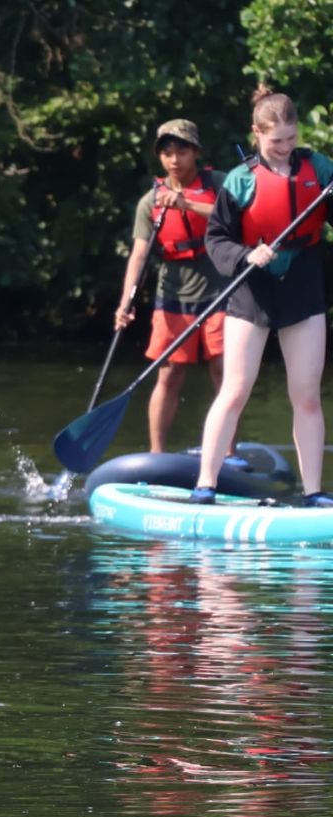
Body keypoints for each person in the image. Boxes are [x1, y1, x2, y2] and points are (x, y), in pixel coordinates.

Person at [190, 88, 333, 506]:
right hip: (252, 288)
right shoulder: (240, 180)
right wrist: (245, 253)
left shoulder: (320, 169)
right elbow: (216, 238)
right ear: (256, 133)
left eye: (291, 139)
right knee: (235, 389)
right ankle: (206, 484)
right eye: (276, 141)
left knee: (306, 394)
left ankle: (314, 493)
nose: (285, 148)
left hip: (303, 285)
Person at [114, 119, 231, 454]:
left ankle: (229, 453)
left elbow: (236, 216)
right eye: (167, 153)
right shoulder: (149, 202)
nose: (175, 160)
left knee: (225, 373)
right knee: (169, 375)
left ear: (195, 152)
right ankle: (157, 454)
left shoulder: (219, 184)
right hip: (174, 295)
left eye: (182, 151)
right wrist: (126, 302)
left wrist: (188, 204)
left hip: (221, 292)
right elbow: (138, 257)